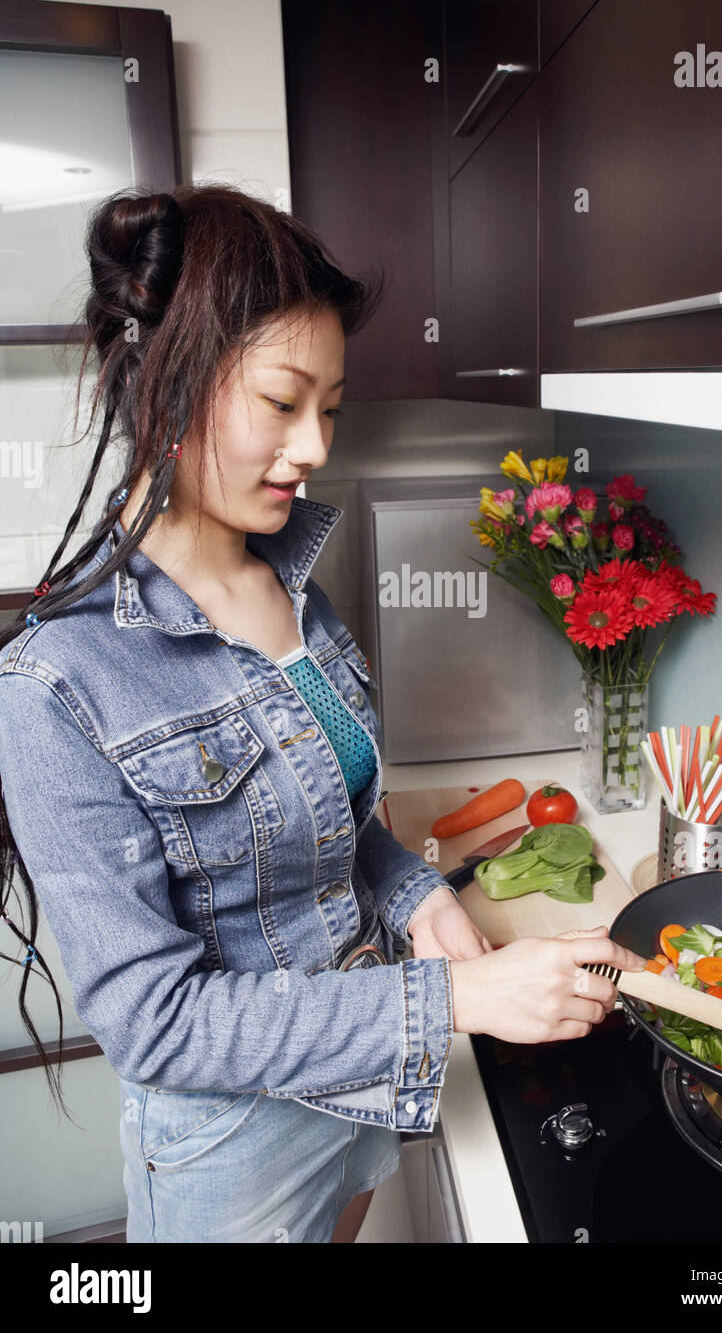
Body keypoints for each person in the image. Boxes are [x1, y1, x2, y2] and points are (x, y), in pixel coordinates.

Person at [0, 184, 646, 1244]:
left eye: (330, 408)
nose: (312, 449)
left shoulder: (293, 587)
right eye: (281, 402)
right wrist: (447, 1003)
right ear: (167, 384)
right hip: (233, 1148)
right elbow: (156, 1023)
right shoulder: (56, 682)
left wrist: (422, 906)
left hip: (363, 1085)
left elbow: (338, 831)